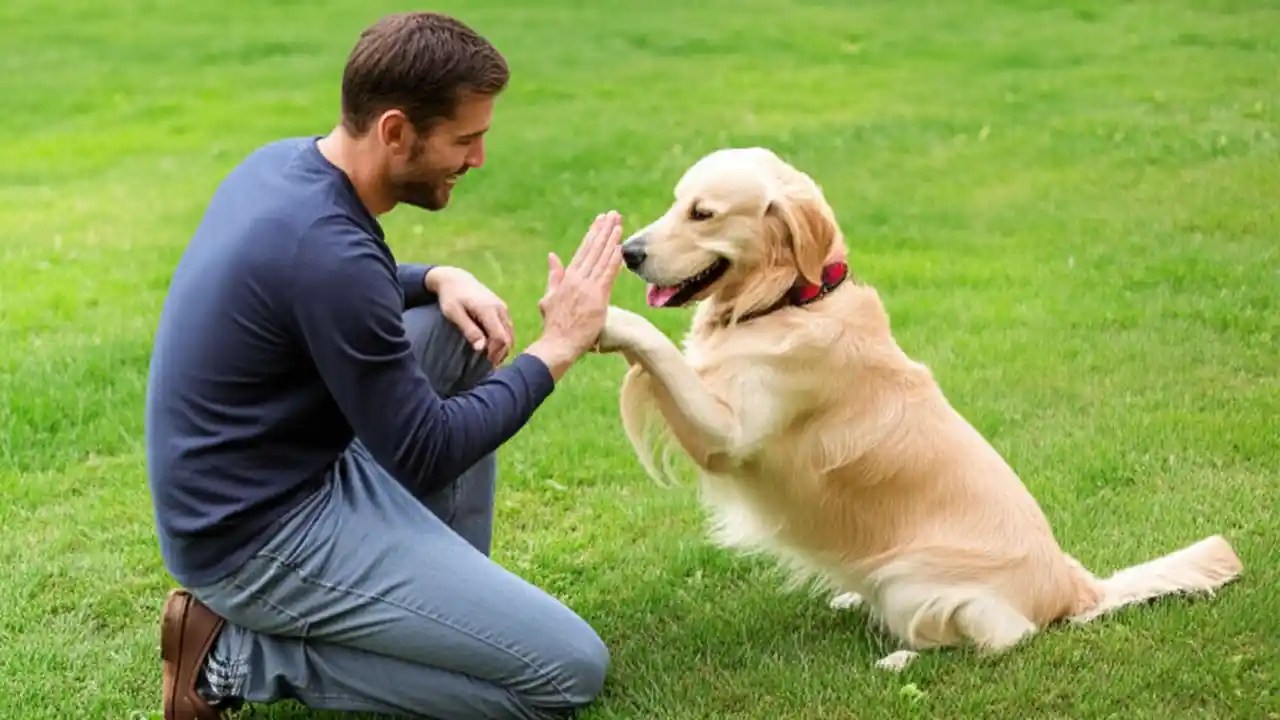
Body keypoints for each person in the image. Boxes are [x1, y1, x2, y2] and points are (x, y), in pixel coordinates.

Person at [146, 11, 624, 720]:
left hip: (268, 479)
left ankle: (449, 613)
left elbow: (334, 283)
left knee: (456, 333)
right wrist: (557, 348)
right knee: (566, 673)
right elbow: (427, 449)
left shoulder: (285, 167)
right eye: (466, 139)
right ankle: (237, 656)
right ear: (396, 131)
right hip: (255, 537)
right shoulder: (329, 252)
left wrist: (436, 276)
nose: (479, 159)